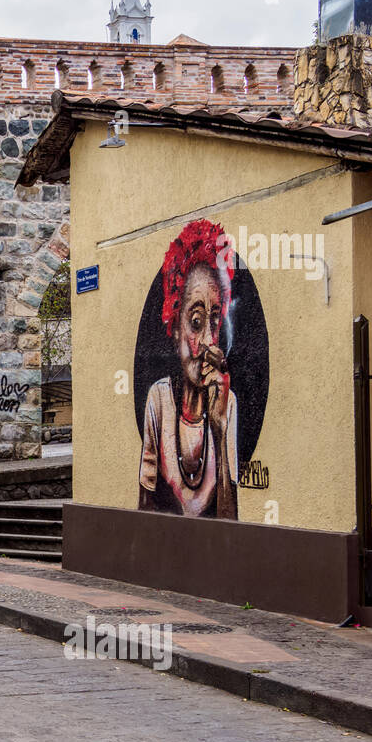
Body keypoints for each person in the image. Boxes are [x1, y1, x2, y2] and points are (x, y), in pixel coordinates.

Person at [138, 219, 238, 520]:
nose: (209, 341)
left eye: (215, 322)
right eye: (196, 323)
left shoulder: (228, 403)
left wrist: (219, 433)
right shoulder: (159, 399)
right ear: (176, 328)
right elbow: (145, 508)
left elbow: (231, 526)